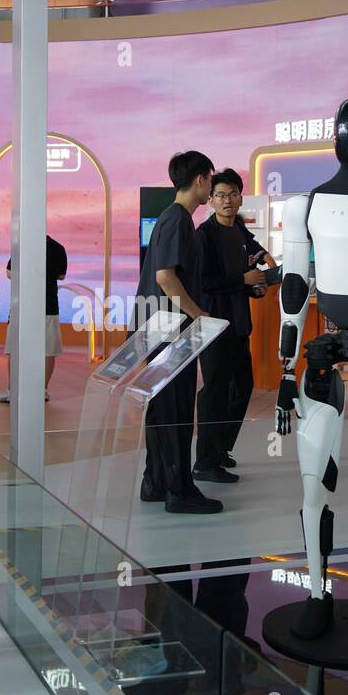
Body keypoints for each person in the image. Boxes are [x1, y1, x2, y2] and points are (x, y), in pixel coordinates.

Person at [132, 151, 221, 514]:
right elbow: (165, 277)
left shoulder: (172, 219)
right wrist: (198, 314)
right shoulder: (179, 220)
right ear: (200, 179)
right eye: (211, 180)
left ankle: (156, 482)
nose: (212, 187)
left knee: (163, 409)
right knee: (175, 411)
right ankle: (179, 490)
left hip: (161, 329)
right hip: (170, 332)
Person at [192, 168, 266, 483]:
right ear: (210, 199)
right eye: (220, 195)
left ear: (240, 197)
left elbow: (246, 273)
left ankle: (220, 448)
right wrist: (242, 280)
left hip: (238, 324)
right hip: (212, 326)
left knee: (242, 387)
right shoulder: (203, 236)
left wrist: (253, 287)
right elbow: (204, 282)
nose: (227, 200)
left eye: (233, 194)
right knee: (214, 393)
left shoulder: (239, 230)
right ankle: (205, 462)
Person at [0, 234, 67, 402]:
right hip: (48, 305)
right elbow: (61, 276)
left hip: (22, 305)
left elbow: (9, 272)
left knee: (15, 348)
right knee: (48, 350)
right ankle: (42, 390)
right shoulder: (58, 247)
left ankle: (12, 390)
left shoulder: (22, 245)